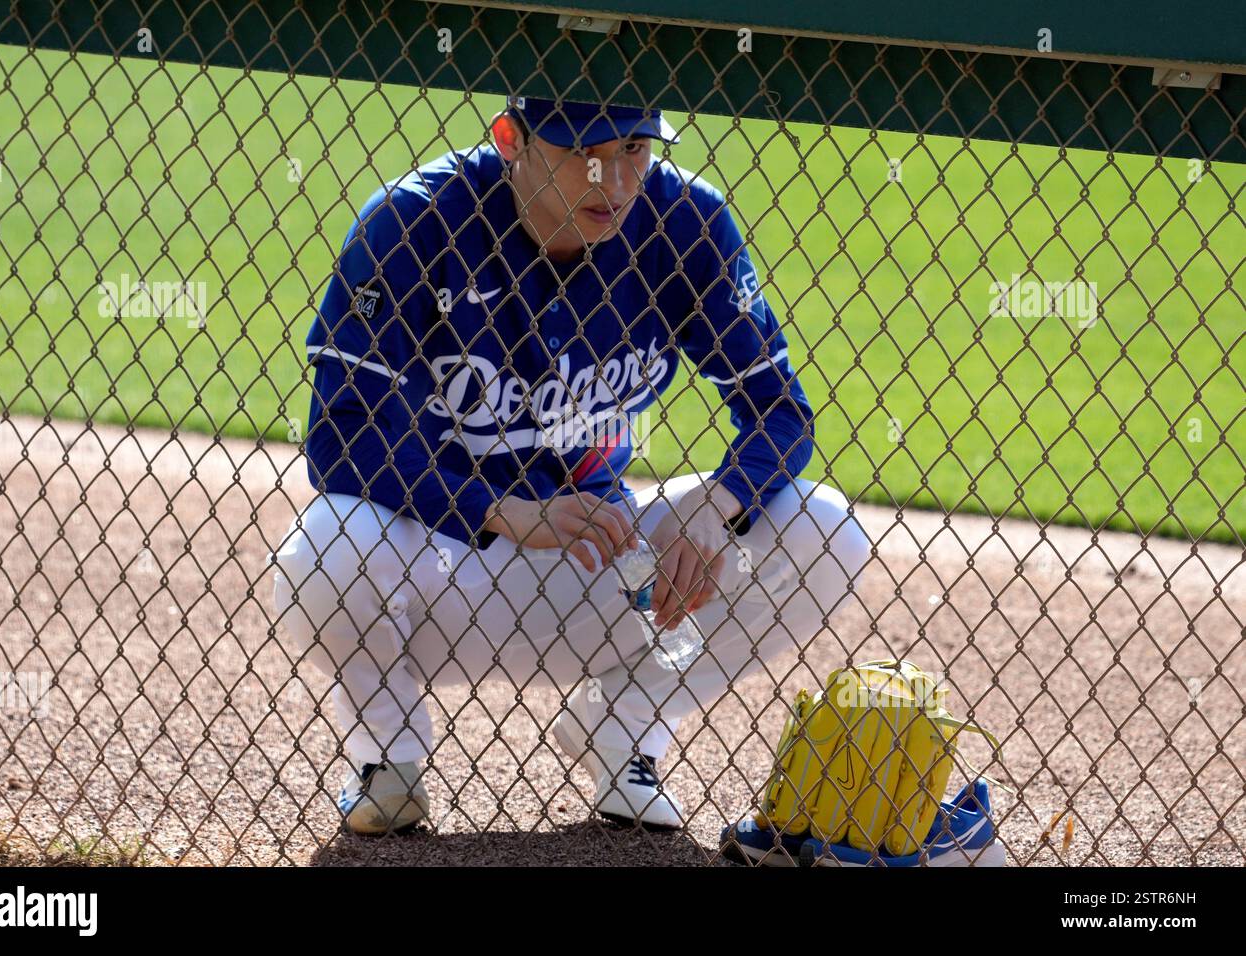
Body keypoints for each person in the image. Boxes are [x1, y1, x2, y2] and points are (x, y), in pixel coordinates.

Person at [269, 96, 871, 835]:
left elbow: (781, 411)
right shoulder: (415, 219)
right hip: (440, 566)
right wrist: (500, 511)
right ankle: (387, 760)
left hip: (602, 570)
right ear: (509, 139)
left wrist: (720, 501)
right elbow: (340, 436)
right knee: (329, 545)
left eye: (634, 151)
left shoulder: (684, 220)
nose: (614, 182)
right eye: (585, 154)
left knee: (825, 529)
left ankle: (623, 727)